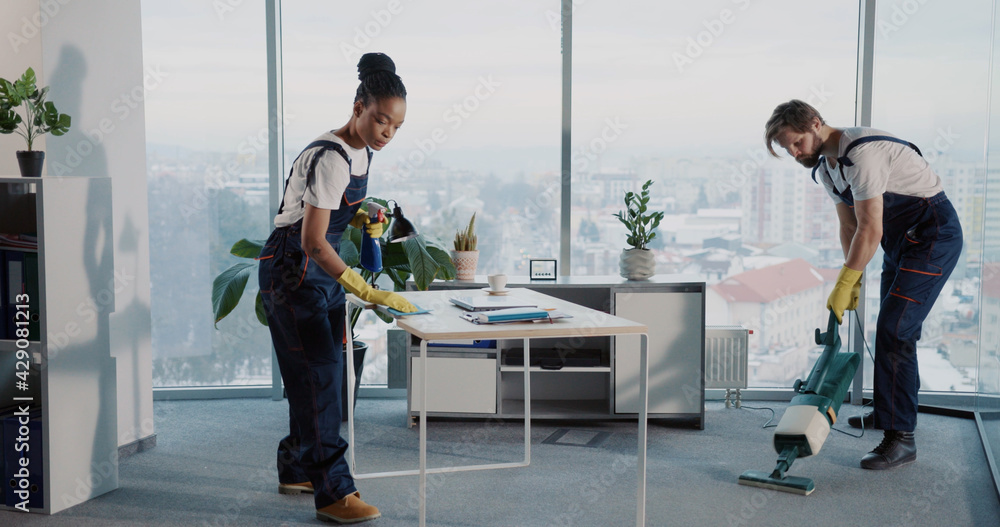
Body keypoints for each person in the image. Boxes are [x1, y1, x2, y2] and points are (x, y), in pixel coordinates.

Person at [258, 52, 417, 523]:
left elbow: (340, 210)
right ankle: (333, 493)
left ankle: (296, 467)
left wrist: (367, 215)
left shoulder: (361, 151)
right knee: (321, 378)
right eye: (380, 120)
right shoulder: (330, 157)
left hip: (319, 270)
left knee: (318, 376)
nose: (387, 132)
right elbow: (310, 240)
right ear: (358, 107)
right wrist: (364, 291)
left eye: (396, 127)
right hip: (295, 269)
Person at [764, 100, 963, 470]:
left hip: (934, 237)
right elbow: (850, 227)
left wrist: (845, 280)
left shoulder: (863, 154)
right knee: (893, 328)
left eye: (795, 143)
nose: (793, 154)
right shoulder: (826, 168)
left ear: (816, 124)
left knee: (896, 330)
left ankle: (900, 437)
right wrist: (850, 276)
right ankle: (890, 409)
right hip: (899, 243)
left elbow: (871, 227)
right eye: (786, 148)